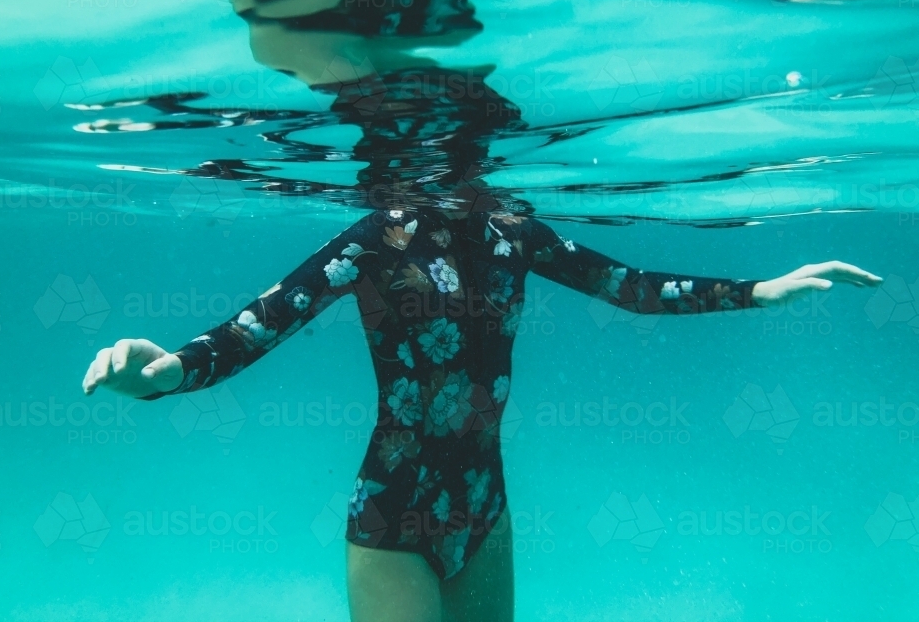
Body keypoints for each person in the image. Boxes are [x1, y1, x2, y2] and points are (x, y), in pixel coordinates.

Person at [82, 197, 881, 622]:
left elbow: (633, 289)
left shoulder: (515, 233)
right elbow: (256, 328)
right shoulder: (374, 238)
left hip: (486, 514)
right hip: (394, 518)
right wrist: (163, 374)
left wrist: (760, 291)